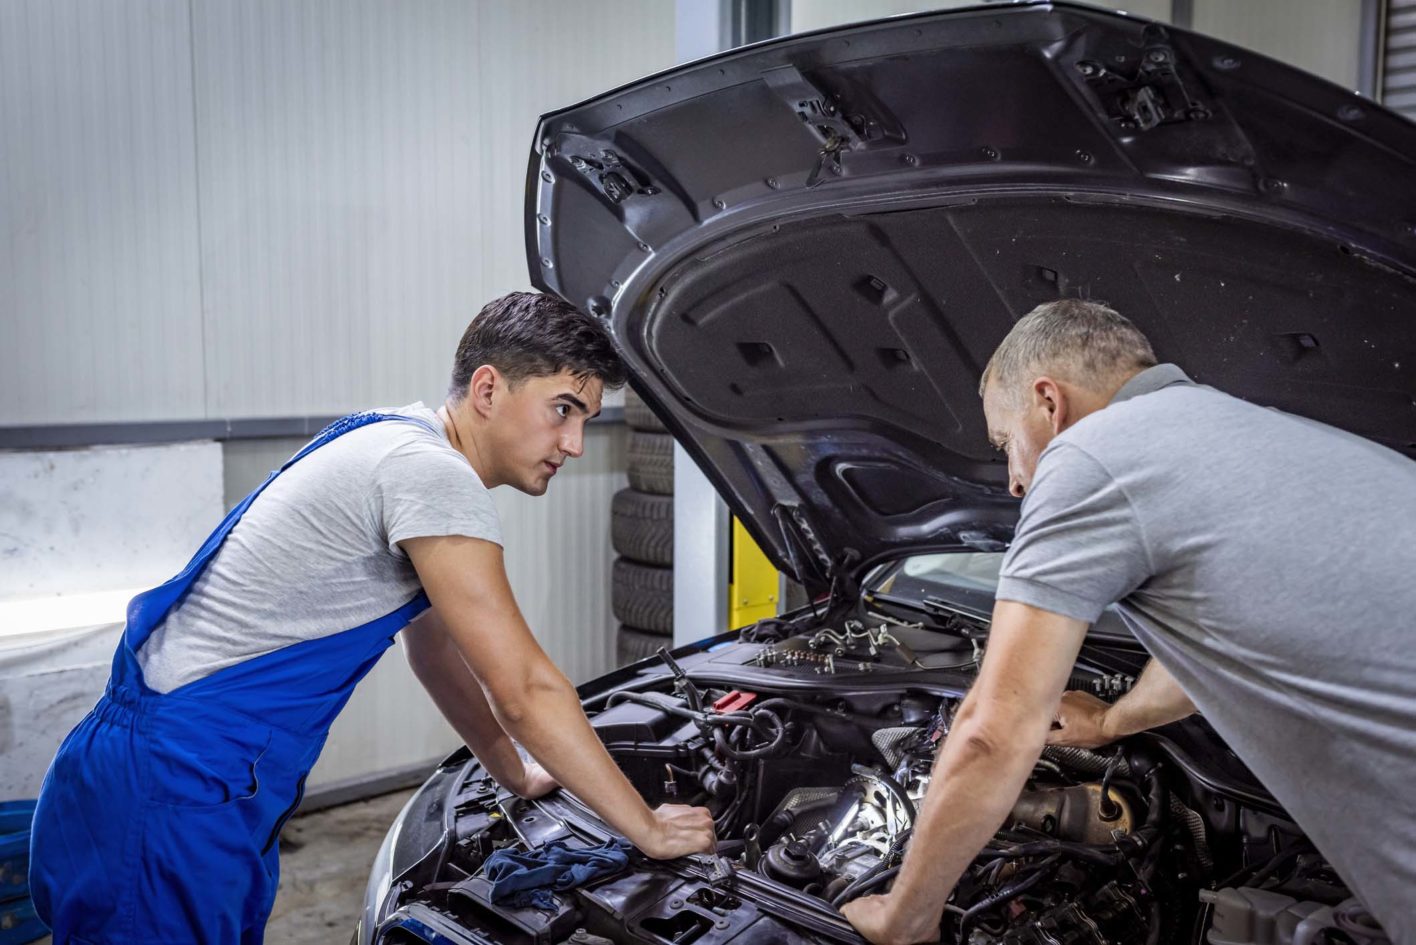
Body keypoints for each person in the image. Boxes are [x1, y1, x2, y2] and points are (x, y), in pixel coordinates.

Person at [30, 291, 716, 945]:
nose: (573, 443)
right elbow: (525, 688)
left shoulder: (391, 437)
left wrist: (518, 774)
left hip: (176, 773)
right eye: (562, 409)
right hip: (172, 787)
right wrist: (645, 826)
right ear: (486, 389)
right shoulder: (432, 473)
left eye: (585, 420)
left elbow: (437, 656)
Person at [842, 299, 1416, 944]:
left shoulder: (1091, 453)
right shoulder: (1260, 432)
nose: (1011, 480)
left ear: (1048, 403)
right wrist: (1114, 721)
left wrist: (906, 916)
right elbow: (1218, 630)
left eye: (1005, 443)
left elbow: (993, 731)